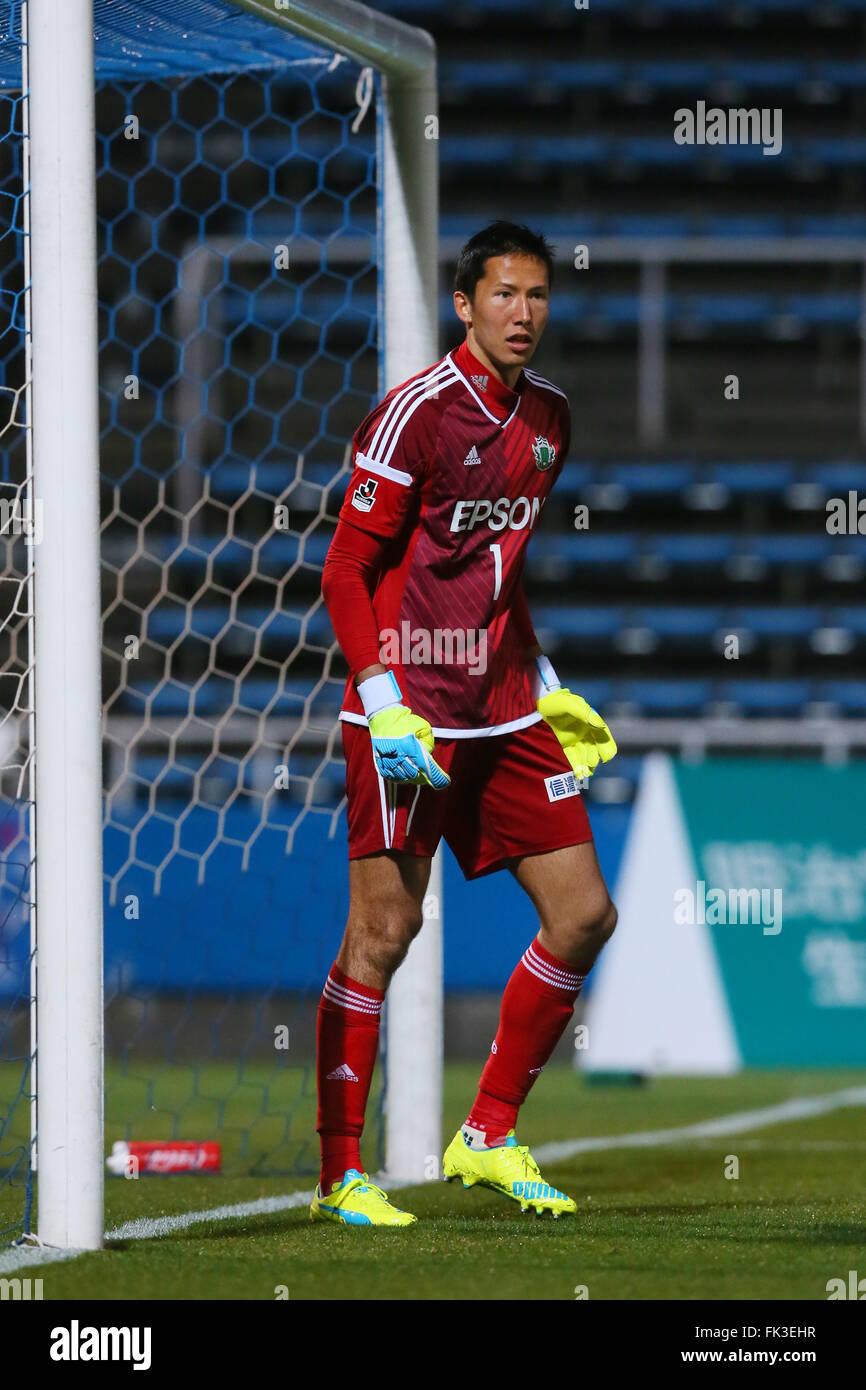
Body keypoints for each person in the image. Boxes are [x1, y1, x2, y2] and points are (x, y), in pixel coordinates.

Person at [314, 222, 618, 1227]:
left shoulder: (551, 421)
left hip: (502, 707)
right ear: (464, 303)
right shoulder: (414, 417)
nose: (522, 313)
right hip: (406, 709)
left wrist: (545, 673)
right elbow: (345, 569)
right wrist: (381, 692)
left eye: (536, 295)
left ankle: (485, 1133)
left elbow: (501, 570)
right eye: (502, 294)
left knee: (582, 913)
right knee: (384, 928)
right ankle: (338, 1174)